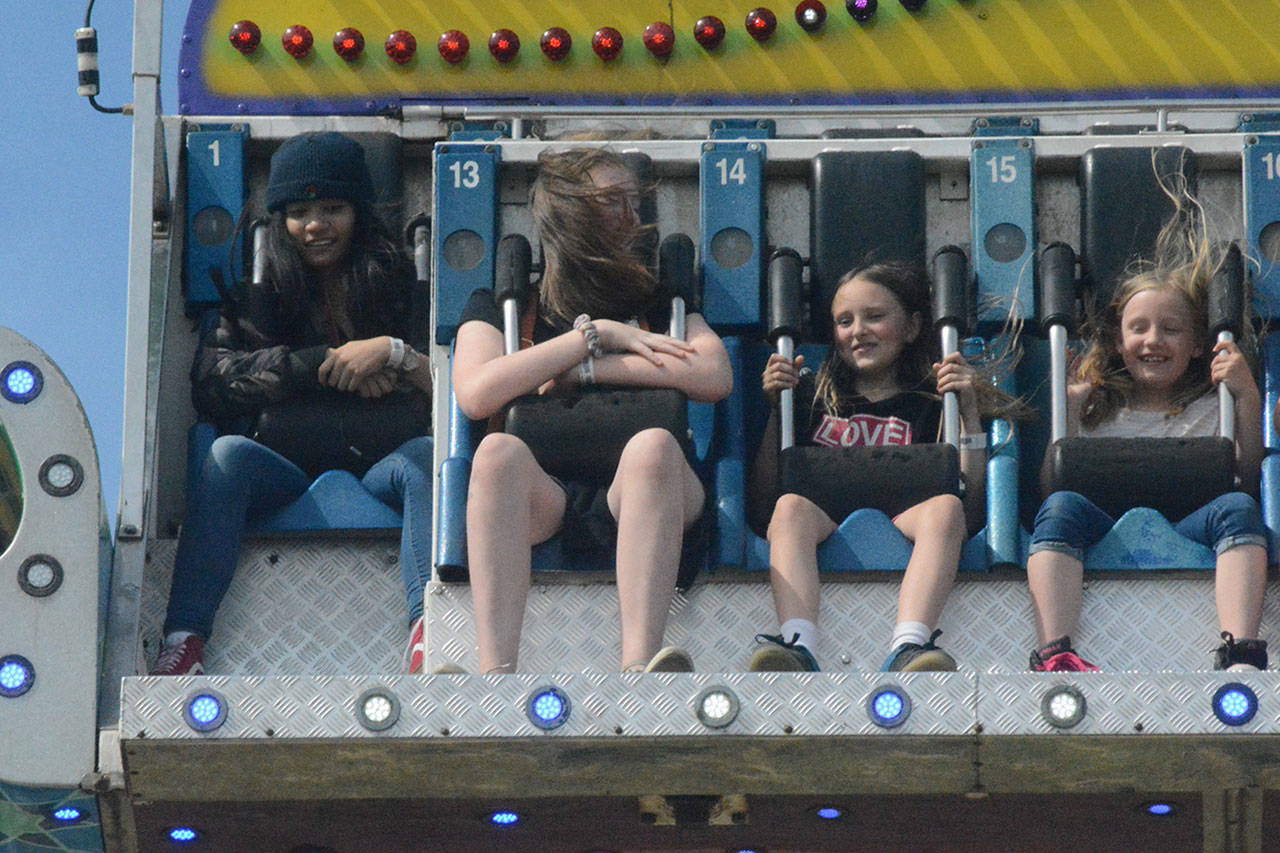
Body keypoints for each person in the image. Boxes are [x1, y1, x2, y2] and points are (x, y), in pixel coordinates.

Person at [151, 132, 434, 676]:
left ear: (359, 212)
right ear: (279, 219)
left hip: (382, 459)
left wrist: (391, 356)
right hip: (285, 461)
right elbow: (211, 382)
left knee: (425, 459)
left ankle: (428, 629)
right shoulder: (256, 294)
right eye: (299, 211)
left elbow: (449, 380)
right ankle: (184, 639)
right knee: (226, 456)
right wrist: (319, 366)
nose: (315, 225)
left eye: (333, 208)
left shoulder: (402, 286)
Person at [451, 148, 733, 674]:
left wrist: (592, 369)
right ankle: (495, 672)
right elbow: (476, 392)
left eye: (634, 204)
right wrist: (592, 337)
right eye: (610, 202)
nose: (630, 218)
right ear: (565, 212)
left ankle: (640, 666)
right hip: (547, 493)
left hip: (650, 492)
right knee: (494, 453)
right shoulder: (504, 307)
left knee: (652, 448)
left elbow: (712, 375)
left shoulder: (661, 305)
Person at [1026, 196, 1267, 673]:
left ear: (1198, 344)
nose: (1153, 340)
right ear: (1119, 342)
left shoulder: (1209, 406)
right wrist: (1070, 410)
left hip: (1190, 522)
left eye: (1171, 330)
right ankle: (1055, 648)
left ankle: (1241, 647)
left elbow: (1247, 474)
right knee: (1059, 509)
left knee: (1239, 508)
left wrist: (1247, 399)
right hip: (1105, 521)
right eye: (1139, 329)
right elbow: (1050, 485)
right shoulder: (1099, 411)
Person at [749, 260, 1006, 673]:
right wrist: (778, 411)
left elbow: (971, 507)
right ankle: (797, 644)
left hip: (906, 515)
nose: (858, 331)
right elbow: (764, 504)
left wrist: (968, 413)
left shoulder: (932, 401)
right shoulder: (813, 396)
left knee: (945, 509)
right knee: (789, 509)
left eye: (875, 317)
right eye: (845, 321)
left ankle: (909, 645)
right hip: (822, 517)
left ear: (911, 327)